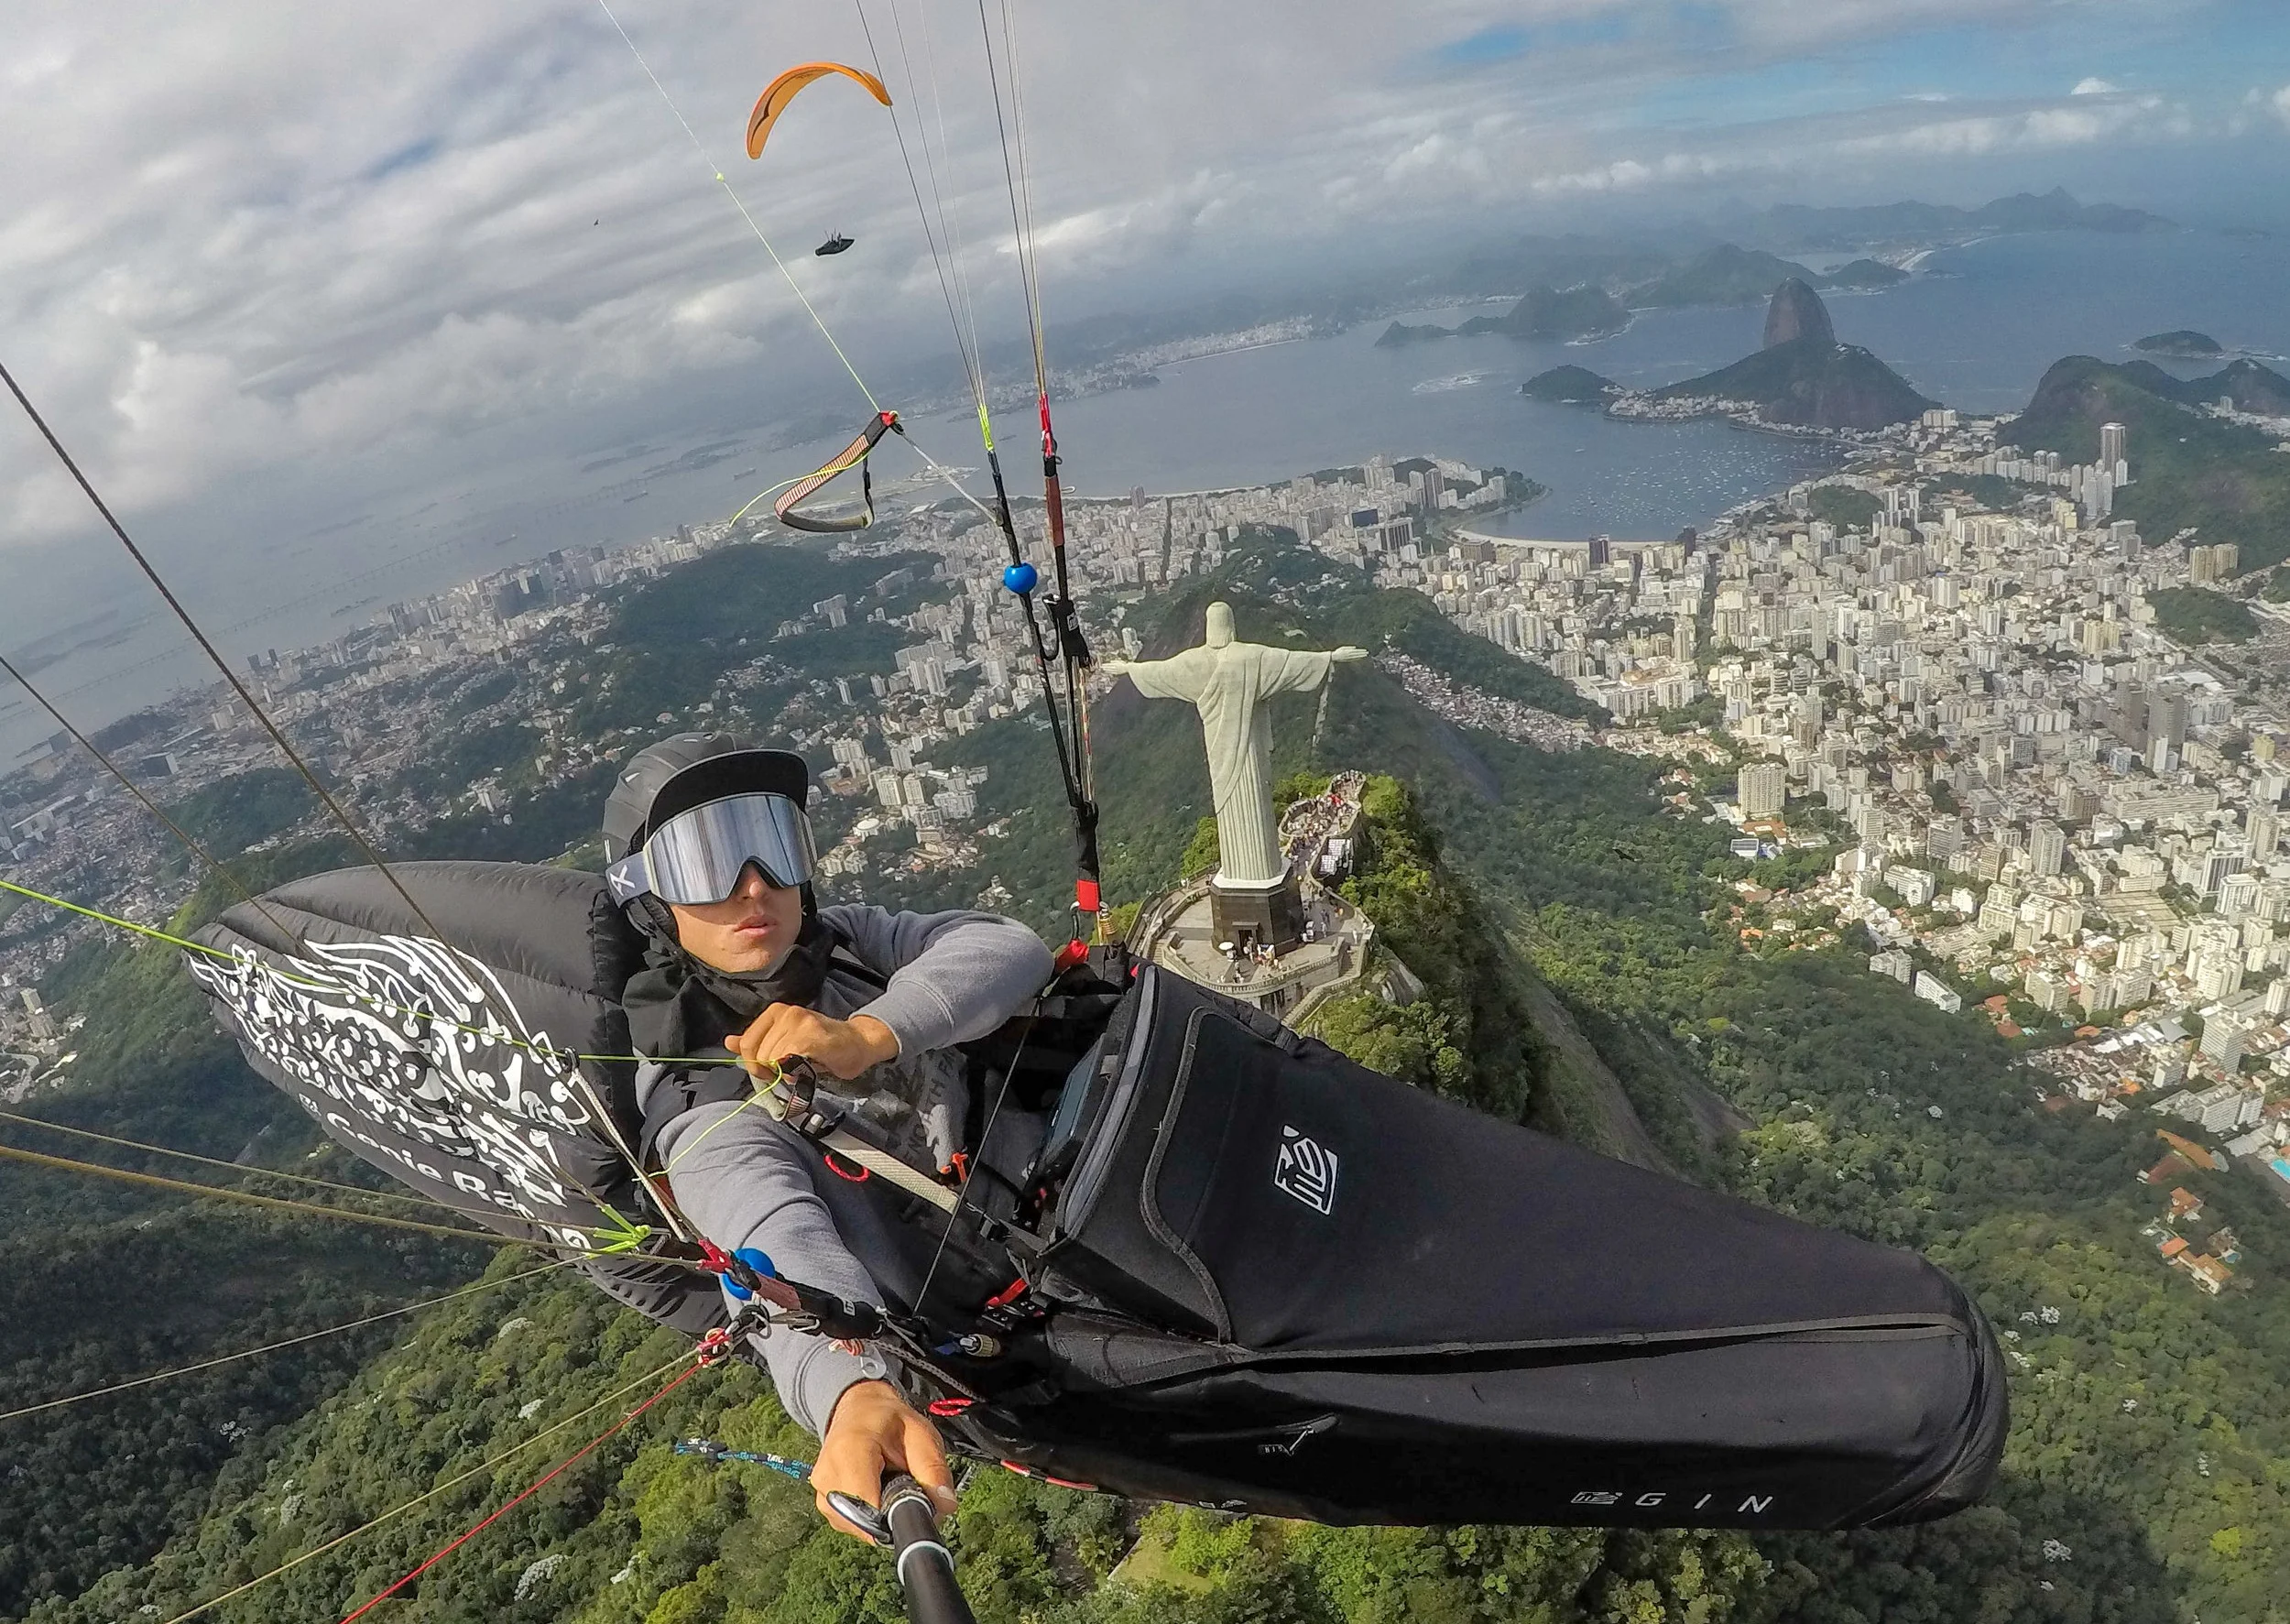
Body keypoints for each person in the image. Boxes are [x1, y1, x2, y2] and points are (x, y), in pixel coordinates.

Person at [601, 733, 1054, 1540]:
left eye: (772, 843)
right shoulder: (700, 1096)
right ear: (649, 900)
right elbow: (769, 1241)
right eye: (705, 859)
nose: (754, 886)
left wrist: (872, 1033)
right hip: (1016, 1302)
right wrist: (852, 1394)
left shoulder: (844, 943)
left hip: (1060, 1185)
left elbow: (1009, 946)